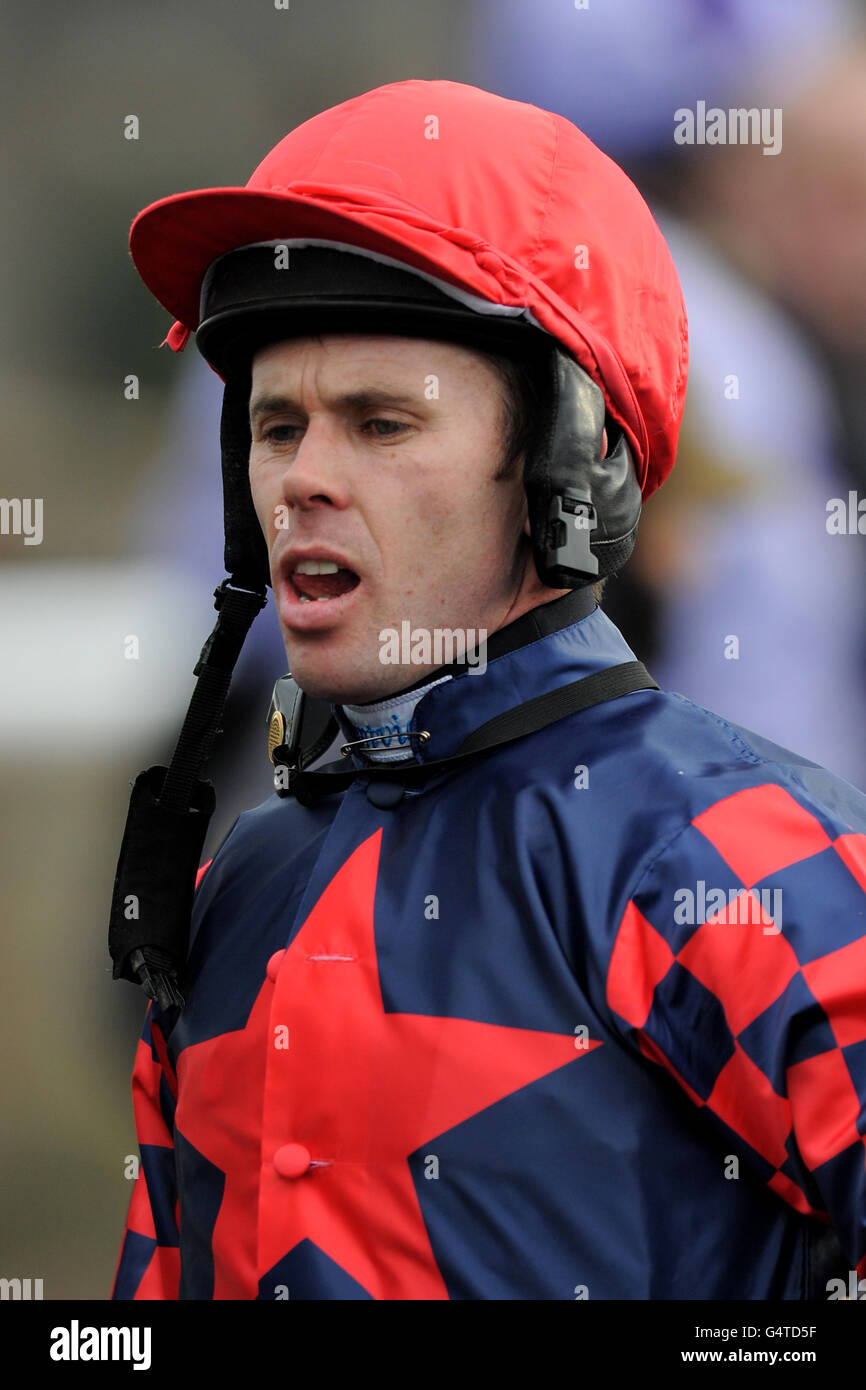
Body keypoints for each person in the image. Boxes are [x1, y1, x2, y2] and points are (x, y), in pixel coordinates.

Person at [109, 80, 866, 1301]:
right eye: (276, 424)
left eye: (379, 423)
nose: (303, 478)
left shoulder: (744, 862)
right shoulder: (228, 890)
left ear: (574, 470)